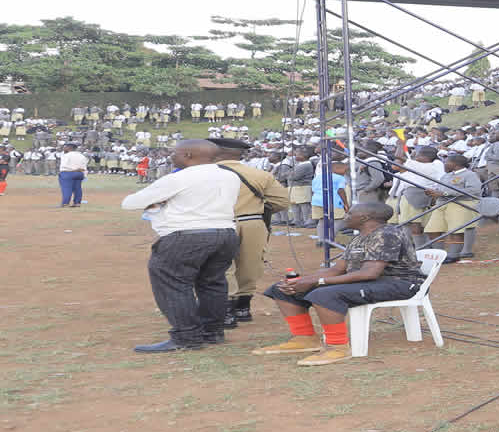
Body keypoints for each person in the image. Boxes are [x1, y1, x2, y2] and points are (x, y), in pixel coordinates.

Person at [253, 203, 427, 367]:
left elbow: (370, 273)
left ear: (365, 218)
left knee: (324, 294)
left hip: (400, 283)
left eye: (350, 213)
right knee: (283, 289)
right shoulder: (359, 237)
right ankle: (304, 338)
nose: (346, 216)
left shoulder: (387, 234)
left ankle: (338, 347)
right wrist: (302, 281)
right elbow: (337, 270)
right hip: (371, 281)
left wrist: (317, 282)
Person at [120, 140, 242, 353]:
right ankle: (212, 332)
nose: (171, 156)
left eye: (174, 152)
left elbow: (131, 202)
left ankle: (187, 336)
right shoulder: (230, 175)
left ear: (187, 155)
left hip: (186, 236)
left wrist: (159, 202)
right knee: (212, 282)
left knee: (173, 283)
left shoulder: (178, 178)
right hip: (225, 234)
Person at [209, 138, 292, 328]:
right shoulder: (259, 175)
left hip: (218, 222)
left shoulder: (205, 174)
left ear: (216, 152)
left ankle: (226, 312)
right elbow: (282, 202)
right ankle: (243, 308)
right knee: (250, 264)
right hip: (252, 222)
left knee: (221, 266)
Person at [56, 143, 87, 207]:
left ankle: (65, 203)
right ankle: (77, 203)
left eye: (65, 147)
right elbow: (84, 167)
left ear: (69, 148)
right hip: (79, 173)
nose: (64, 148)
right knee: (78, 189)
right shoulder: (82, 156)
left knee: (66, 188)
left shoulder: (66, 155)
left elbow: (64, 166)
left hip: (67, 173)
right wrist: (84, 175)